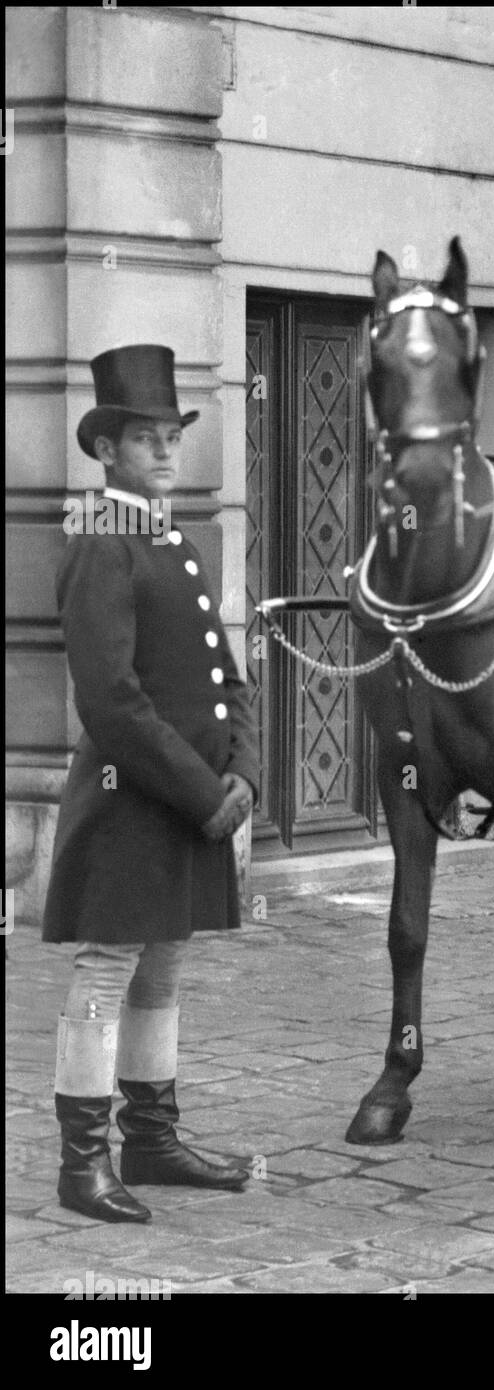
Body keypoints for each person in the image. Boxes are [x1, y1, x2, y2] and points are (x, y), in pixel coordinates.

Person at [43, 344, 258, 1223]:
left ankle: (153, 1140)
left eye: (173, 435)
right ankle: (82, 1162)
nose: (168, 452)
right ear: (107, 451)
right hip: (134, 800)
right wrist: (205, 796)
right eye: (147, 438)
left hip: (193, 802)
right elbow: (113, 701)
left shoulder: (170, 537)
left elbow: (227, 677)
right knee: (108, 968)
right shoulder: (101, 543)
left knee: (164, 963)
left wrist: (243, 769)